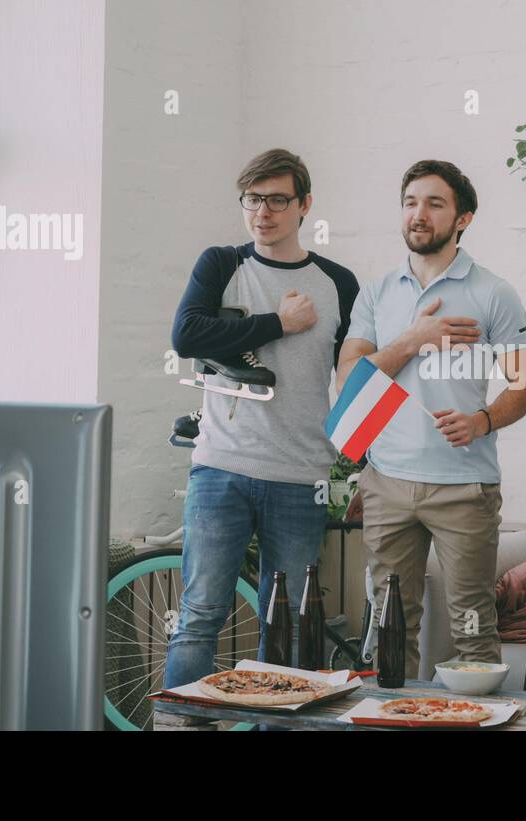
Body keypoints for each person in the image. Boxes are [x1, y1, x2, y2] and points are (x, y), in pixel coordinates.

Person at [164, 148, 359, 688]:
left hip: (301, 475)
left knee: (290, 626)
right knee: (199, 617)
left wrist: (362, 464)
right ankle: (183, 725)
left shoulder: (338, 283)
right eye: (252, 199)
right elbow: (186, 335)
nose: (262, 212)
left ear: (304, 205)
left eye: (277, 200)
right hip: (221, 468)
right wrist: (279, 322)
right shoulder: (221, 264)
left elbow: (355, 378)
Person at [337, 160, 526, 680]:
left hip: (465, 488)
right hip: (387, 482)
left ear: (463, 218)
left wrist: (482, 421)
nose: (418, 213)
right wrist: (412, 340)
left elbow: (524, 386)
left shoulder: (493, 293)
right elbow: (348, 381)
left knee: (473, 629)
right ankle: (392, 715)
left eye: (434, 203)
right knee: (389, 628)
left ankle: (476, 716)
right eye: (410, 202)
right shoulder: (377, 292)